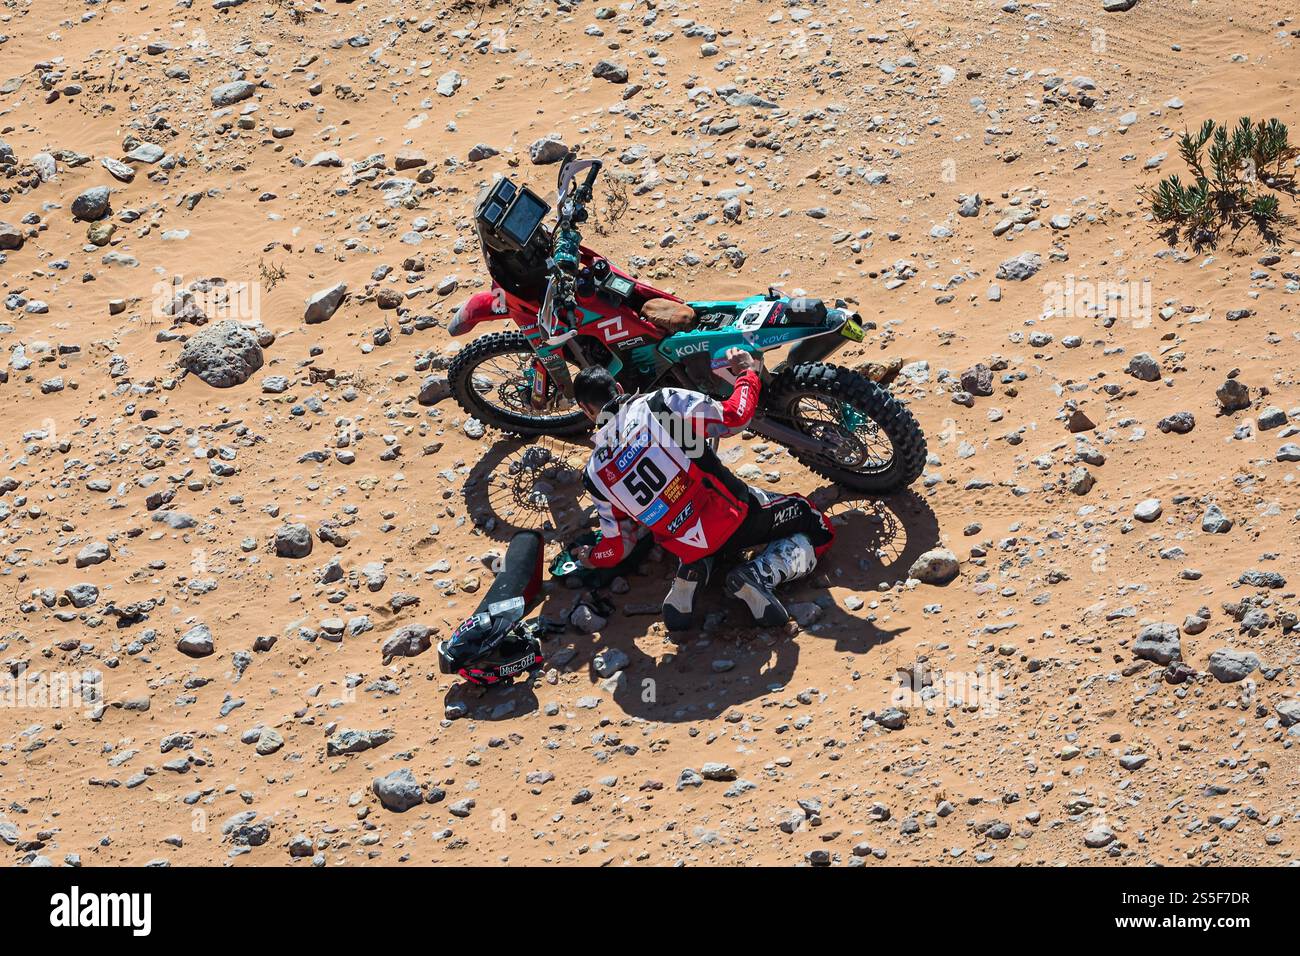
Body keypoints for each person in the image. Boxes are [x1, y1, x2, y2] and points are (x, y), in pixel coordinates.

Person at [570, 350, 834, 632]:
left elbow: (620, 547)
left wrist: (589, 556)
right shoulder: (658, 404)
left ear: (587, 411)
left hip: (686, 543)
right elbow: (734, 417)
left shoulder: (595, 474)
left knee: (689, 529)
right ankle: (759, 574)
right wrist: (748, 374)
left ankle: (690, 575)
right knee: (815, 521)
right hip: (737, 518)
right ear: (619, 388)